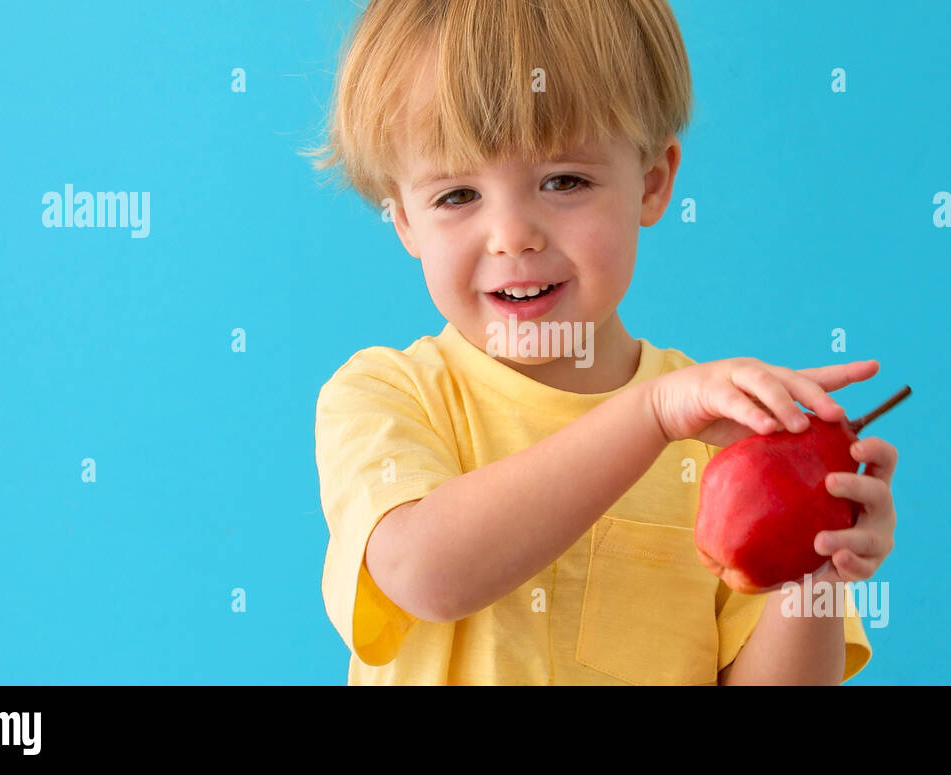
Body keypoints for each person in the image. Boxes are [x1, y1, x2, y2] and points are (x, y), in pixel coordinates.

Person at [306, 0, 899, 685]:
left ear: (652, 183)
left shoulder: (724, 432)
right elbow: (424, 572)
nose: (512, 235)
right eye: (457, 195)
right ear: (402, 218)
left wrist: (816, 558)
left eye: (564, 181)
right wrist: (650, 416)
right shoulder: (384, 396)